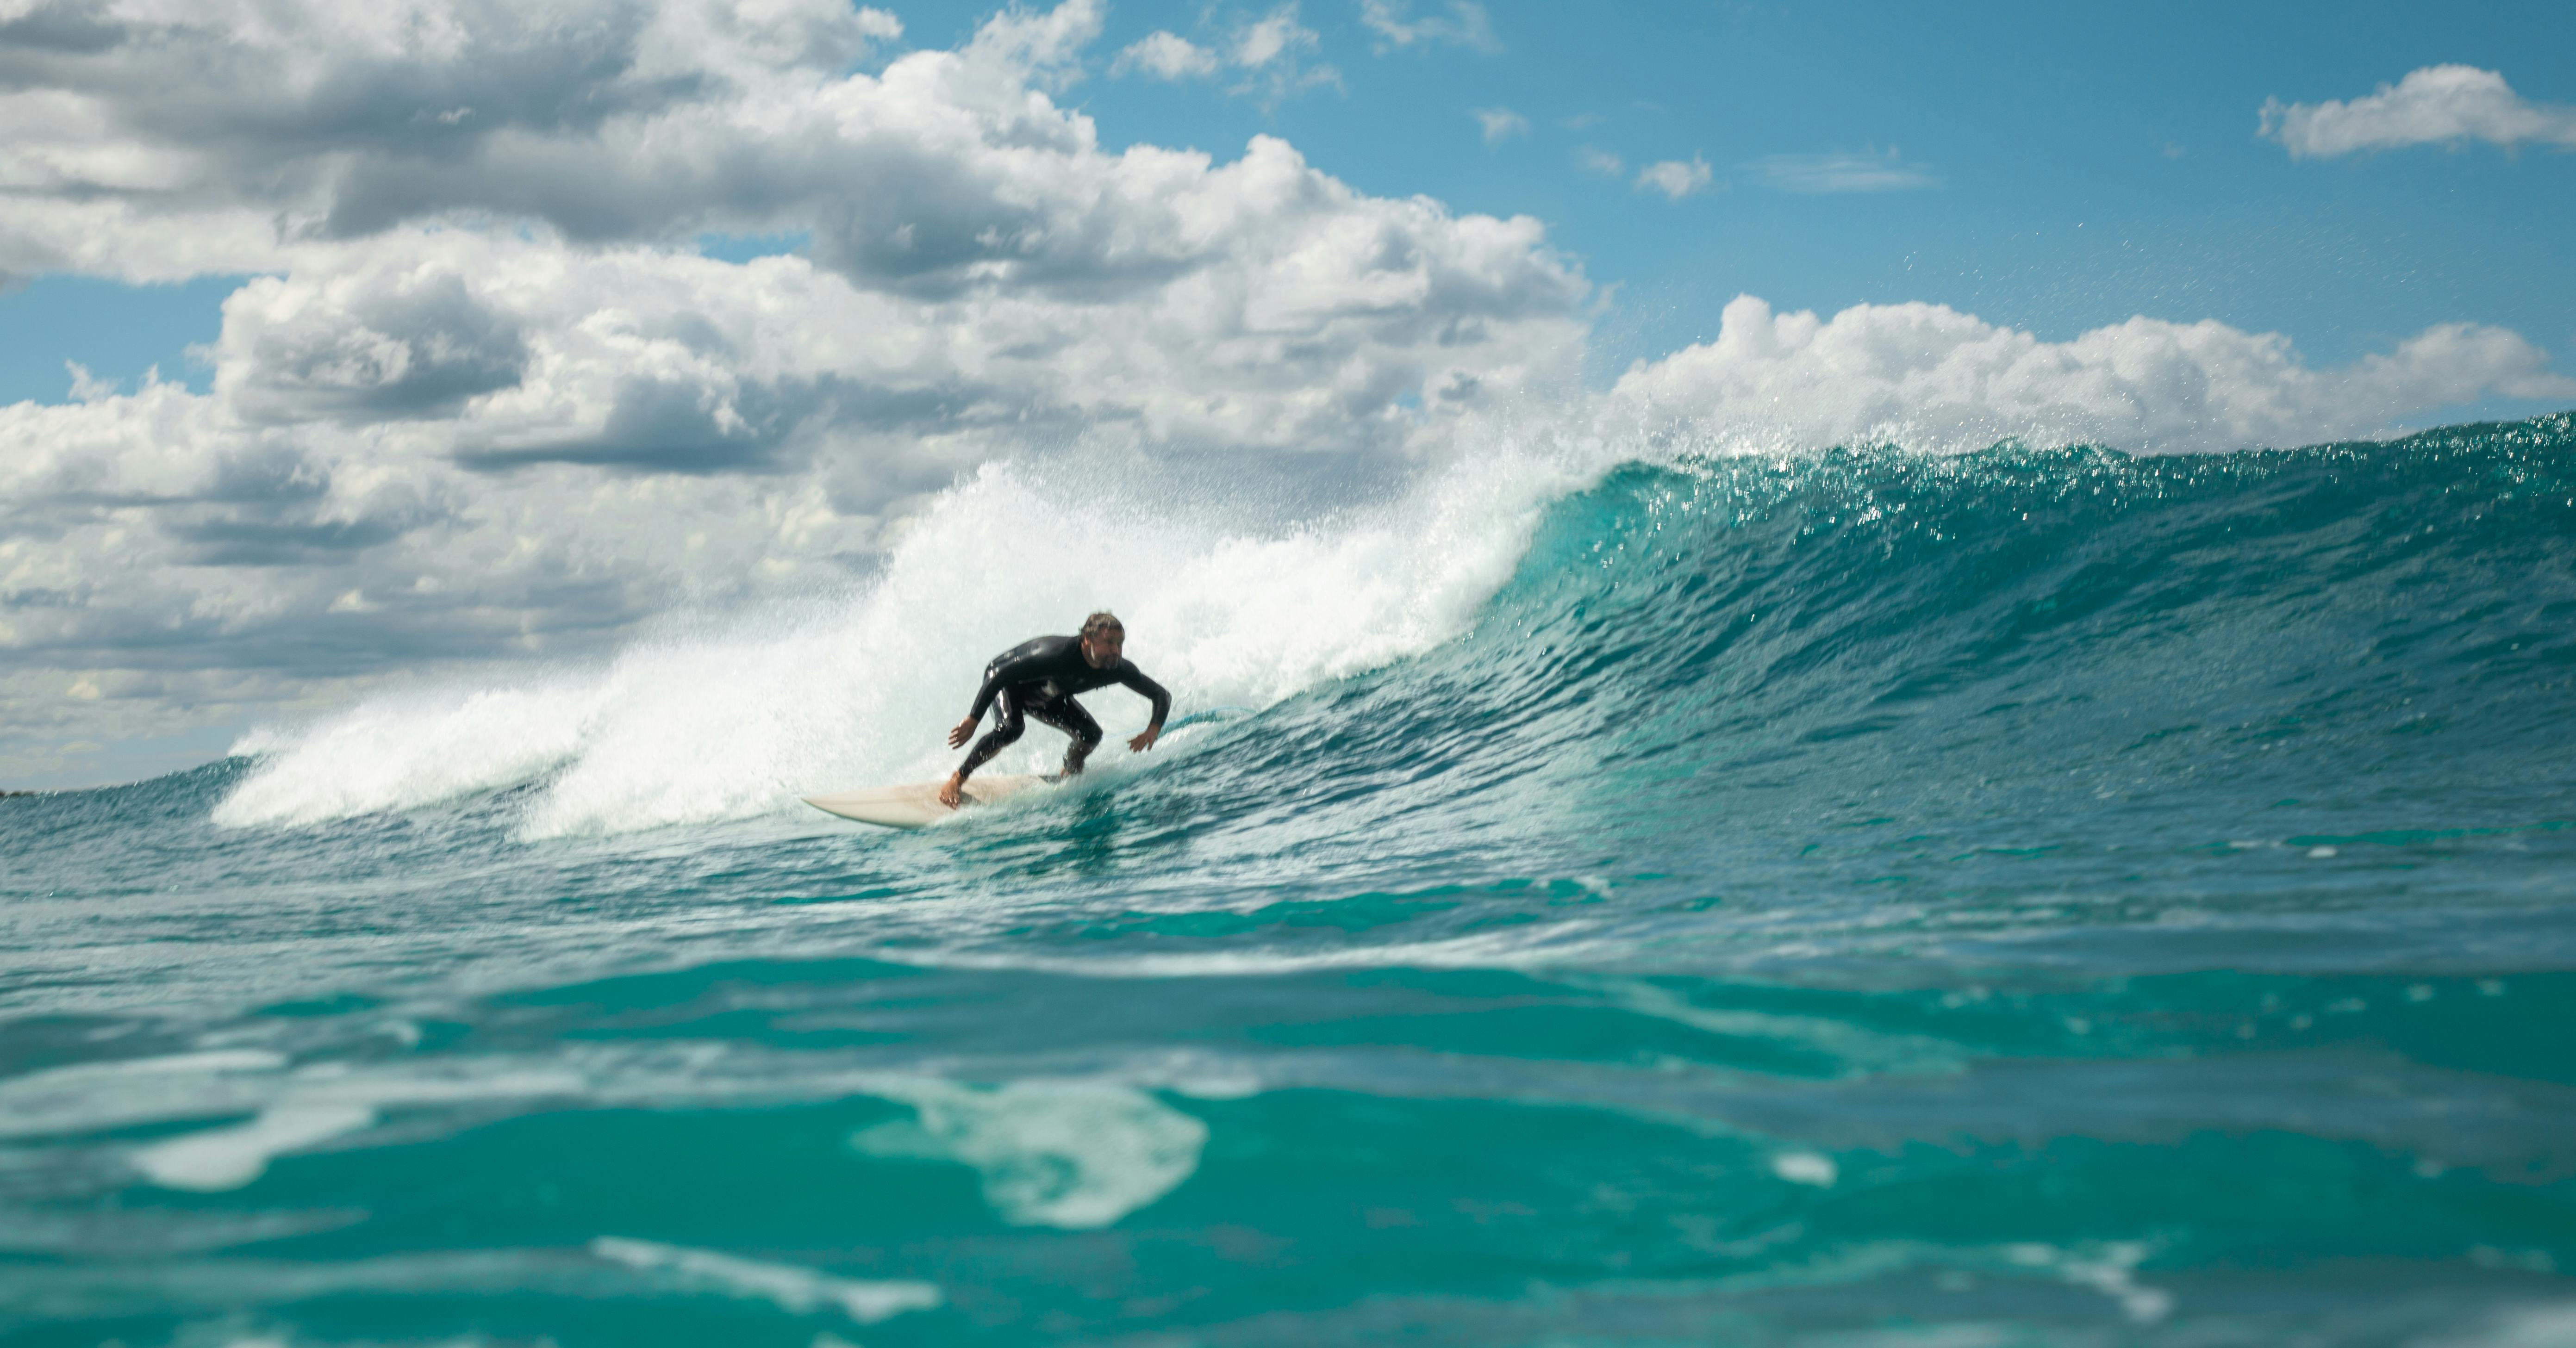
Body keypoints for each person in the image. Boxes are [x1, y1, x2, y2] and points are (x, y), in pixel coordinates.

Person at [940, 611, 1170, 808]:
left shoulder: (1117, 669)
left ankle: (1071, 770)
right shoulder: (1056, 655)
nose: (1116, 651)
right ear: (1087, 639)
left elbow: (1161, 695)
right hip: (1007, 682)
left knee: (1091, 735)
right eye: (1109, 643)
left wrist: (1154, 728)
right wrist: (974, 718)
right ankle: (958, 779)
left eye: (1120, 643)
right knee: (1011, 729)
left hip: (1047, 694)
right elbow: (1000, 675)